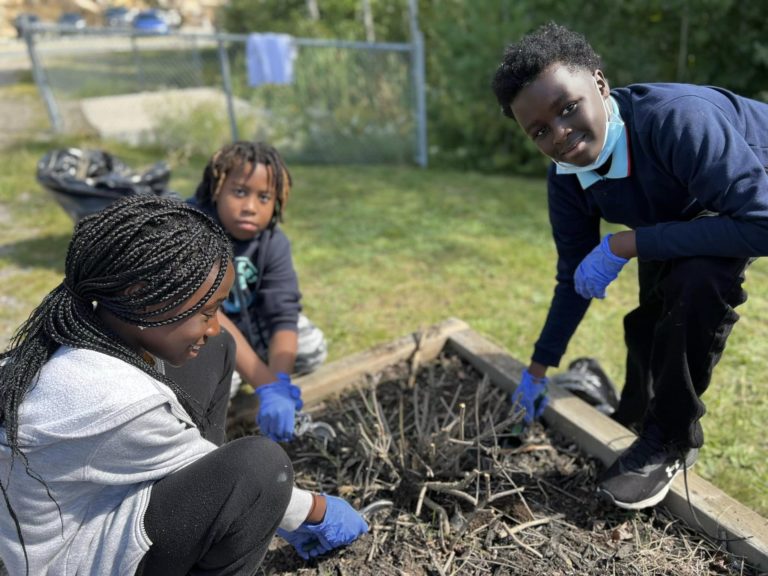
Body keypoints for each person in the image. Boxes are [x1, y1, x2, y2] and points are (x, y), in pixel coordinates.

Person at [0, 196, 367, 576]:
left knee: (219, 347)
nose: (212, 325)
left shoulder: (85, 332)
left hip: (93, 504)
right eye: (206, 312)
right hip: (80, 559)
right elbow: (243, 475)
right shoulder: (118, 401)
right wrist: (315, 511)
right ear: (139, 296)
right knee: (263, 467)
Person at [491, 22, 768, 510]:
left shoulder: (676, 121)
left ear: (600, 84)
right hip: (692, 208)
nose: (560, 135)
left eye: (568, 108)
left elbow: (761, 223)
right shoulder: (568, 178)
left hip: (752, 194)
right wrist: (536, 368)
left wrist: (626, 243)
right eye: (539, 130)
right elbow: (572, 277)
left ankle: (669, 440)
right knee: (647, 322)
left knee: (694, 280)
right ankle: (637, 418)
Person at [189, 141, 328, 443]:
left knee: (311, 347)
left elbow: (283, 313)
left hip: (251, 327)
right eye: (240, 192)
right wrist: (263, 383)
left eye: (264, 197)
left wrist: (279, 383)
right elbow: (208, 311)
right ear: (216, 189)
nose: (251, 207)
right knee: (219, 382)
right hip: (204, 332)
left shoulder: (273, 242)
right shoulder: (194, 232)